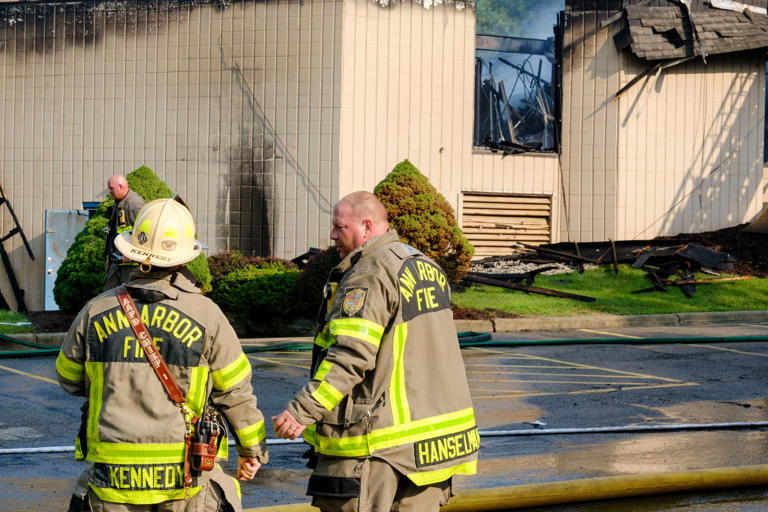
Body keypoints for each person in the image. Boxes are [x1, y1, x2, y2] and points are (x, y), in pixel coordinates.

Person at [272, 191, 478, 511]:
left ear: (366, 227)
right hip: (435, 446)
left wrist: (303, 410)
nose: (332, 235)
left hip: (381, 445)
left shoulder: (369, 272)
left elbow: (351, 356)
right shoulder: (425, 266)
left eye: (340, 227)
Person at [57, 198, 267, 512]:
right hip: (186, 479)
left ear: (132, 252)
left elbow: (69, 379)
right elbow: (235, 392)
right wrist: (252, 451)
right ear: (183, 259)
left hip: (112, 484)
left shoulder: (95, 311)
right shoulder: (207, 315)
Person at [103, 174, 146, 290]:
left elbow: (145, 234)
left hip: (131, 266)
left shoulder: (134, 205)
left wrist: (132, 254)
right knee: (108, 297)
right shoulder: (119, 203)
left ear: (121, 186)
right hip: (117, 263)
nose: (109, 192)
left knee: (128, 299)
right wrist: (108, 259)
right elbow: (113, 234)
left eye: (111, 188)